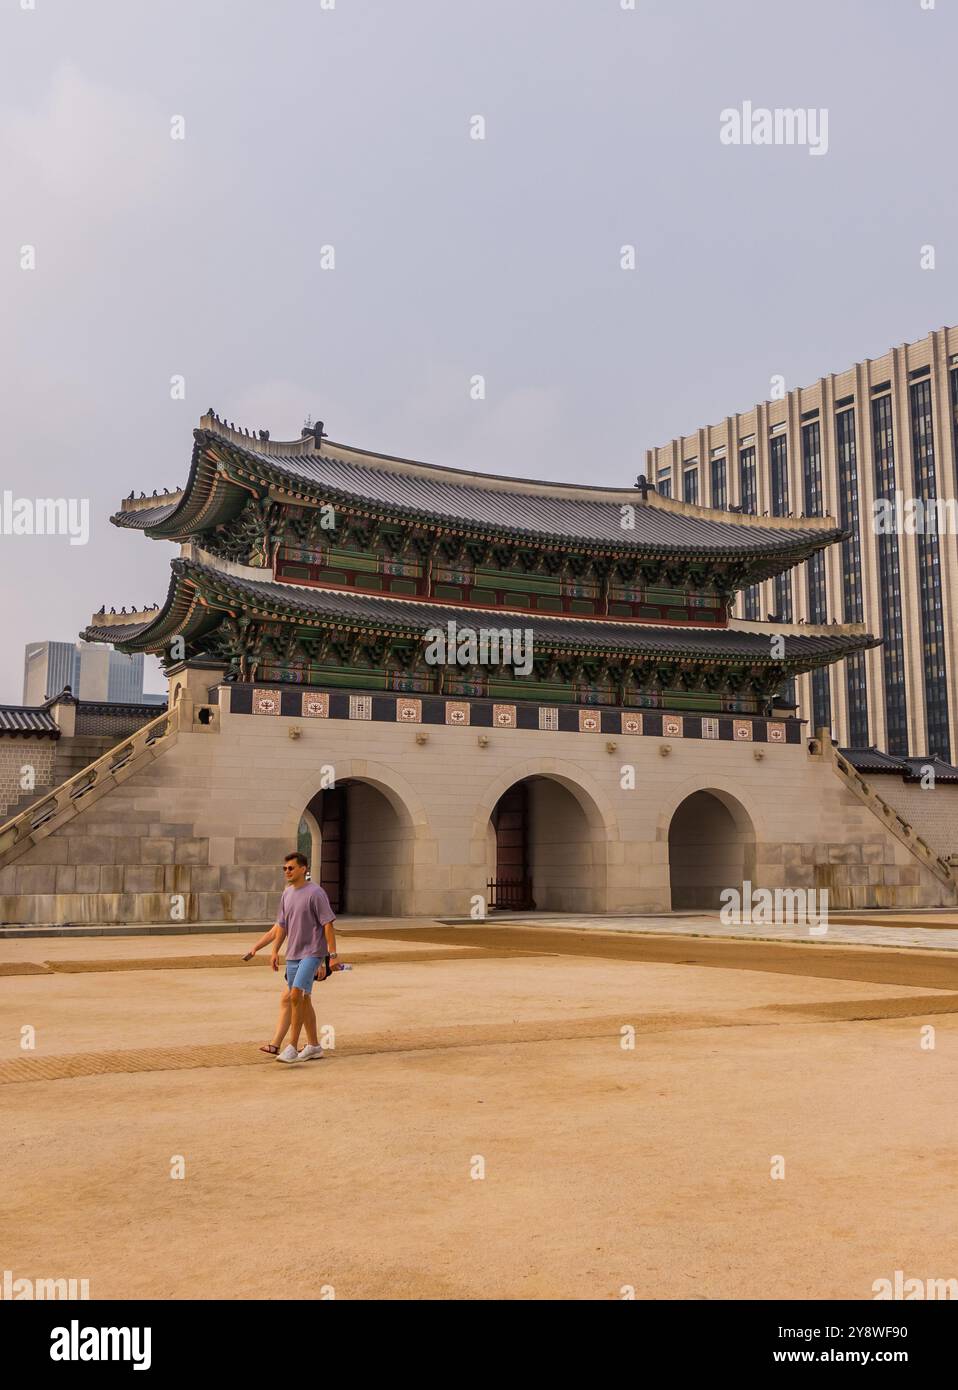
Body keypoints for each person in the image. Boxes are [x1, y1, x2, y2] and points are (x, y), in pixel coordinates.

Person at [242, 852, 338, 1063]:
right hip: (293, 954)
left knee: (295, 996)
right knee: (302, 1000)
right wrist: (275, 950)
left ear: (303, 869)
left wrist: (330, 957)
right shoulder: (287, 894)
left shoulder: (316, 893)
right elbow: (282, 926)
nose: (287, 871)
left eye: (291, 868)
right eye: (285, 868)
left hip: (312, 953)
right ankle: (313, 1046)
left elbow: (327, 925)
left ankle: (292, 1047)